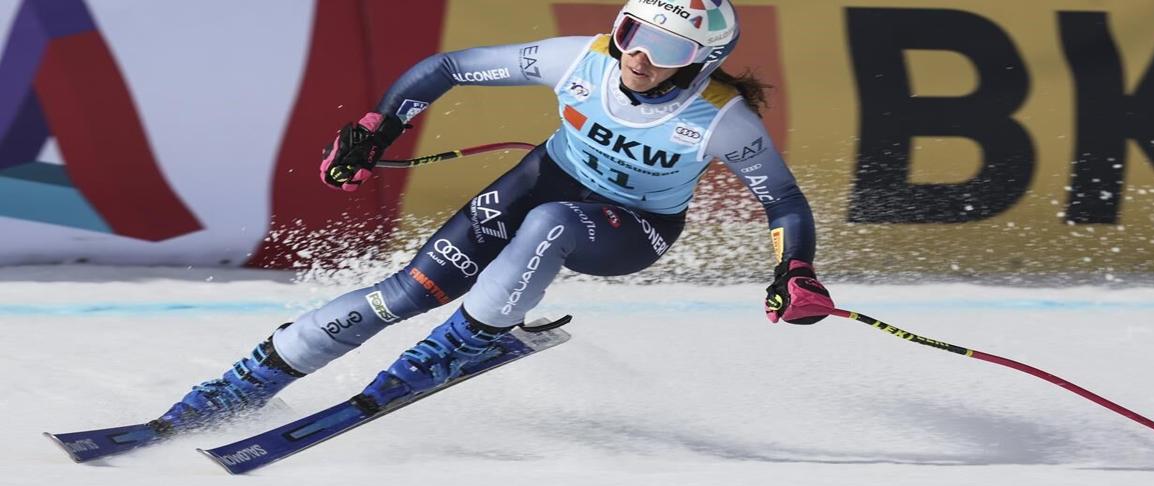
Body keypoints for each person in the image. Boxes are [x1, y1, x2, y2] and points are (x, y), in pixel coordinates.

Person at [155, 0, 835, 430]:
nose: (639, 57)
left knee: (553, 223)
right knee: (405, 292)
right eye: (633, 33)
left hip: (633, 228)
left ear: (702, 62)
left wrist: (794, 271)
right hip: (546, 179)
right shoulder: (579, 59)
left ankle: (468, 340)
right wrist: (378, 127)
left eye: (670, 50)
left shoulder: (721, 119)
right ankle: (244, 384)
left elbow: (781, 200)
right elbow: (447, 68)